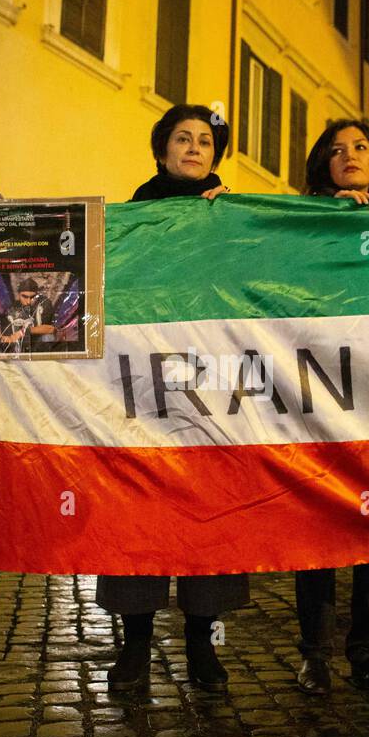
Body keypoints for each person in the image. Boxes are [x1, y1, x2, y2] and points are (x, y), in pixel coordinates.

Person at [98, 103, 247, 693]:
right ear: (161, 150)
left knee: (209, 518)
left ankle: (201, 647)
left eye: (205, 142)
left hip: (213, 387)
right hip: (140, 385)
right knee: (137, 514)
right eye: (182, 139)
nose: (193, 149)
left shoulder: (234, 217)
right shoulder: (129, 220)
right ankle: (134, 647)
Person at [293, 120, 369, 696]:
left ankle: (367, 653)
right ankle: (314, 653)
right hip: (314, 393)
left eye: (361, 146)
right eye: (336, 151)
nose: (349, 156)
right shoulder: (303, 222)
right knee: (317, 531)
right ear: (324, 168)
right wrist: (329, 221)